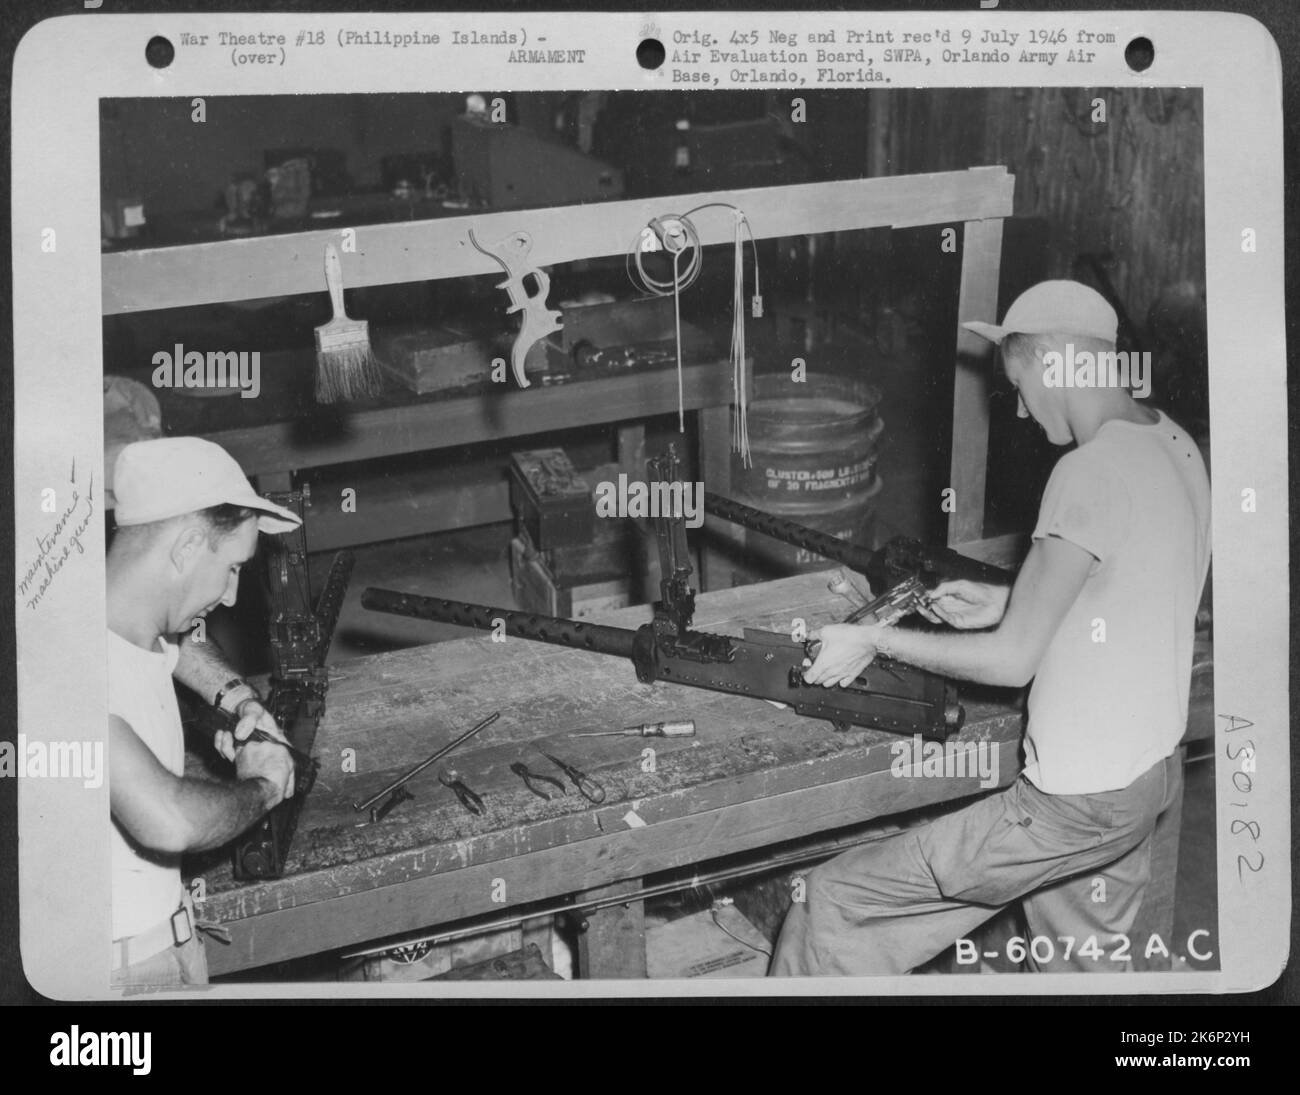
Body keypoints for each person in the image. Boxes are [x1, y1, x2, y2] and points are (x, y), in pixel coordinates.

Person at [771, 280, 1211, 976]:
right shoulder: (1174, 444)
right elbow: (1126, 589)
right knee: (1084, 966)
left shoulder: (1087, 470)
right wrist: (1004, 598)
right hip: (1145, 781)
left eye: (1017, 385)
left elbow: (1012, 663)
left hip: (1071, 802)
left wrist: (872, 638)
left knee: (833, 900)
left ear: (1051, 362)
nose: (1024, 411)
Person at [107, 437, 302, 988]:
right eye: (234, 567)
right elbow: (169, 821)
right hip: (123, 973)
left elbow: (182, 648)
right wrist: (264, 785)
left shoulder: (116, 614)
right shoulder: (70, 670)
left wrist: (240, 700)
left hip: (165, 936)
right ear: (188, 545)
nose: (233, 595)